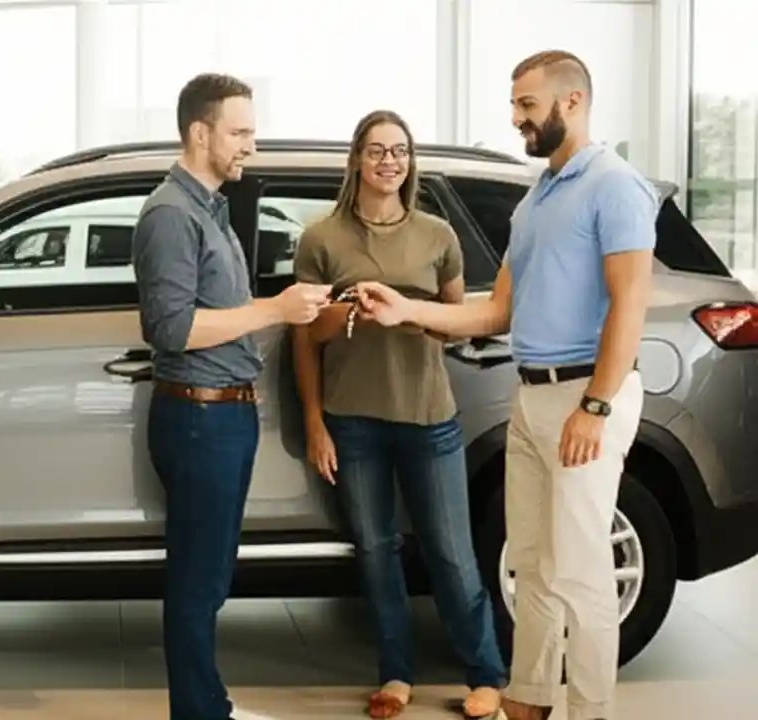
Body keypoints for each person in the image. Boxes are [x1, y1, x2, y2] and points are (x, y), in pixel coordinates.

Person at [354, 50, 656, 720]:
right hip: (533, 393)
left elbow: (630, 303)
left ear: (571, 101)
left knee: (579, 570)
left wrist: (595, 408)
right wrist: (407, 309)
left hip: (587, 394)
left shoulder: (614, 185)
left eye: (526, 104)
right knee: (530, 562)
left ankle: (591, 710)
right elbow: (495, 313)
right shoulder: (537, 198)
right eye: (515, 104)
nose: (516, 117)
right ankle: (530, 696)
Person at [290, 109, 507, 719]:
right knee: (376, 550)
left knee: (452, 553)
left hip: (429, 418)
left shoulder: (437, 235)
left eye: (401, 151)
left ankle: (486, 673)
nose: (391, 161)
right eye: (379, 150)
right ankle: (396, 674)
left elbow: (453, 329)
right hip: (351, 421)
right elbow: (306, 339)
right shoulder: (321, 239)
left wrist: (403, 311)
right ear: (357, 158)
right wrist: (314, 422)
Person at [131, 72, 333, 720]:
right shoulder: (170, 212)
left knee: (211, 576)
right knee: (196, 582)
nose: (252, 143)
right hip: (198, 416)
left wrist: (296, 310)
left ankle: (207, 701)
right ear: (200, 132)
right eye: (241, 131)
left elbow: (216, 310)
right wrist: (273, 308)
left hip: (222, 414)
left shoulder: (211, 207)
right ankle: (198, 712)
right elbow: (172, 327)